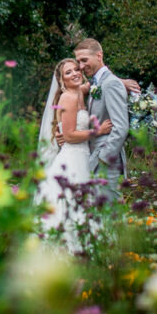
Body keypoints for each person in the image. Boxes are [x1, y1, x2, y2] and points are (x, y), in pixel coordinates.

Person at [35, 58, 112, 253]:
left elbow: (94, 83)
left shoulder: (79, 91)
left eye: (77, 69)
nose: (75, 73)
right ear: (62, 81)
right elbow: (69, 135)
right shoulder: (67, 98)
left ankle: (85, 247)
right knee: (71, 205)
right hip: (72, 159)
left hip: (83, 157)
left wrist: (123, 83)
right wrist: (99, 132)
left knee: (82, 205)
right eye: (68, 73)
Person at [65, 38, 135, 198]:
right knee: (99, 214)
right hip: (93, 157)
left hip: (106, 161)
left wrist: (103, 158)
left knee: (110, 214)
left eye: (84, 60)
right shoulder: (96, 84)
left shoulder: (111, 84)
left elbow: (121, 127)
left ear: (99, 55)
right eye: (78, 62)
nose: (81, 67)